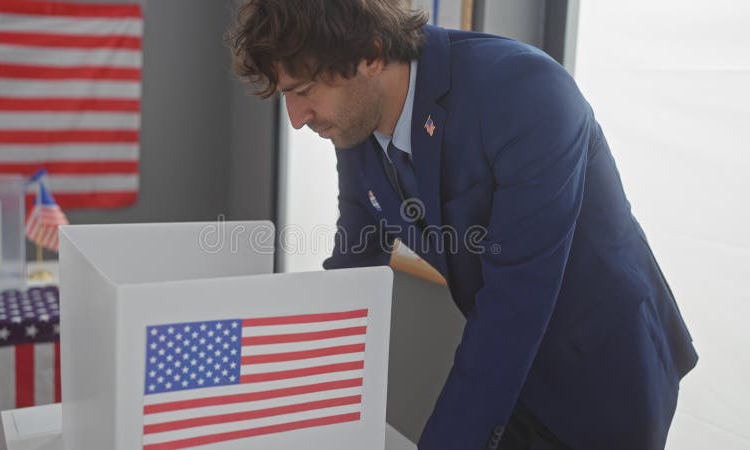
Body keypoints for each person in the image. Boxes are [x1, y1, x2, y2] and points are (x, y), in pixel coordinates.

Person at [228, 1, 698, 449]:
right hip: (508, 380)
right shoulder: (355, 125)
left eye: (303, 91)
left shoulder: (526, 92)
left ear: (370, 54)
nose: (296, 119)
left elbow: (513, 303)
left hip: (605, 372)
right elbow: (352, 269)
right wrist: (293, 404)